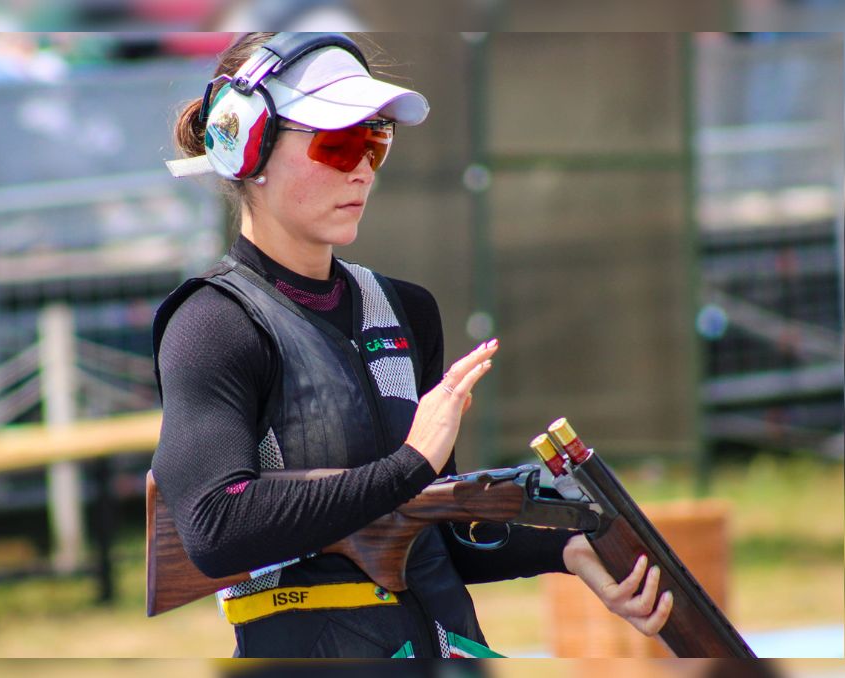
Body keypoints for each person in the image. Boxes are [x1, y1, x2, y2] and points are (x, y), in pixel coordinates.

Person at [151, 32, 672, 658]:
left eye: (375, 141)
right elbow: (214, 528)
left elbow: (428, 532)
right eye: (337, 143)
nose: (362, 168)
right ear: (248, 145)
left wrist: (569, 547)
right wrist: (410, 465)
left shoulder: (405, 310)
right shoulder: (213, 323)